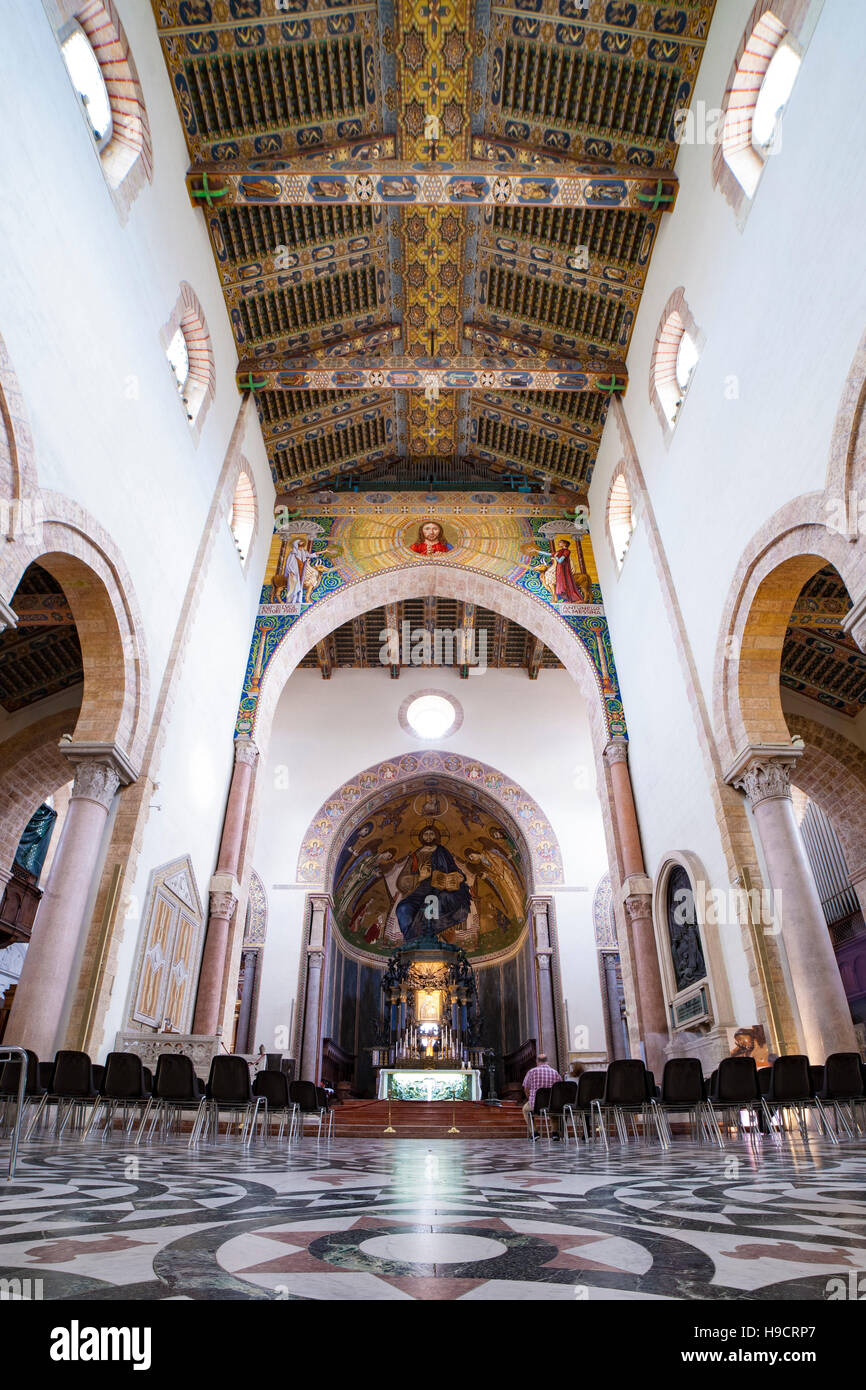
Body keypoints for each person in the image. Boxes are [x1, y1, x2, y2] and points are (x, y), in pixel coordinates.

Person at [521, 1052, 562, 1140]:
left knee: (525, 1110)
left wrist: (530, 1099)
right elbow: (560, 1088)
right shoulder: (555, 1072)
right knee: (554, 1108)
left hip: (536, 1104)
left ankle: (534, 1132)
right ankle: (555, 1133)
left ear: (537, 1061)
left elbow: (526, 1088)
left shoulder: (532, 1072)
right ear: (547, 1061)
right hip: (551, 1104)